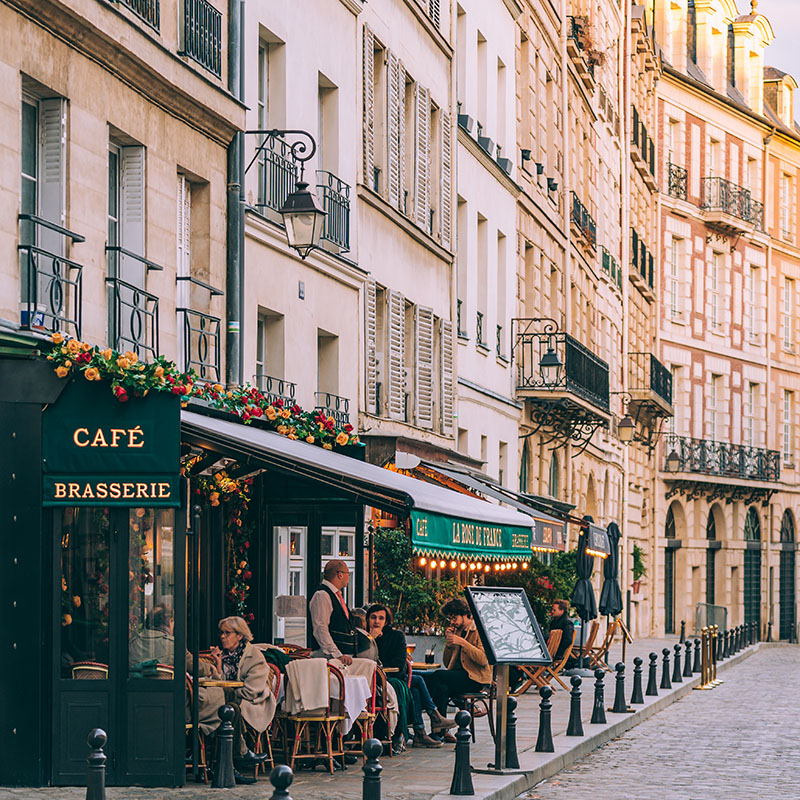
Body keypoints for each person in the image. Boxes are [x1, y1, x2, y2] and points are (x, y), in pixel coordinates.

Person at [366, 603, 455, 749]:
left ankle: (422, 731)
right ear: (367, 619)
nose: (376, 621)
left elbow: (399, 666)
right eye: (373, 617)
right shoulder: (364, 638)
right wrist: (372, 641)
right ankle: (430, 721)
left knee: (415, 689)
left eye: (381, 618)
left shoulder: (396, 636)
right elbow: (366, 660)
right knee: (418, 681)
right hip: (373, 679)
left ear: (386, 621)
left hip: (394, 677)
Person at [208, 616, 272, 784]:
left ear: (239, 635)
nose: (222, 636)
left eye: (227, 633)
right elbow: (218, 682)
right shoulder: (224, 655)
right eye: (221, 633)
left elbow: (251, 691)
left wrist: (227, 689)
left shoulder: (254, 656)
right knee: (227, 709)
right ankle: (240, 754)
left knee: (230, 709)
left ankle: (223, 763)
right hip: (229, 699)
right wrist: (218, 664)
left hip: (253, 701)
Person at [422, 597, 491, 742]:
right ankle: (440, 732)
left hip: (475, 678)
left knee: (436, 676)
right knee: (441, 688)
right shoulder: (458, 632)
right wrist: (449, 644)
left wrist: (463, 643)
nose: (452, 622)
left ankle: (432, 719)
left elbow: (484, 659)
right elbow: (448, 664)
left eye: (454, 618)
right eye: (450, 619)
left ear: (465, 614)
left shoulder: (478, 630)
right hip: (458, 677)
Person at [308, 559, 357, 664]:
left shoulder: (336, 595)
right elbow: (320, 628)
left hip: (342, 658)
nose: (348, 577)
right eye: (347, 573)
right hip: (330, 659)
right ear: (340, 575)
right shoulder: (322, 595)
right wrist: (337, 654)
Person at [549, 599, 577, 666]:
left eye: (554, 610)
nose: (552, 611)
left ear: (561, 611)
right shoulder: (555, 622)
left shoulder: (567, 623)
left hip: (556, 654)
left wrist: (558, 654)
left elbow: (568, 640)